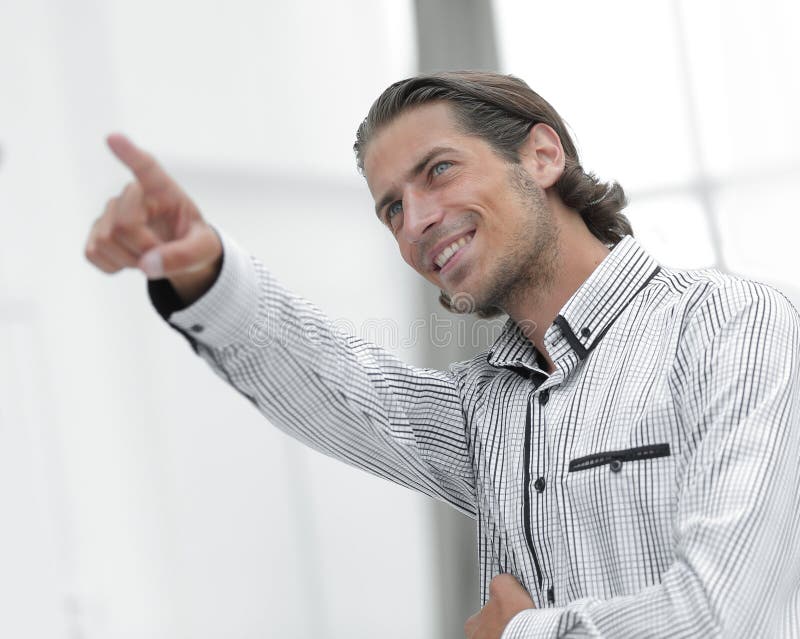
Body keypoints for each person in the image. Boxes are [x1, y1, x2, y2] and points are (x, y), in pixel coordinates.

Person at [84, 72, 800, 638]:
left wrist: (521, 632)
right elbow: (336, 381)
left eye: (439, 170)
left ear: (542, 155)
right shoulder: (484, 405)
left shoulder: (733, 327)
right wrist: (205, 270)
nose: (418, 220)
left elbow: (721, 615)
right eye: (391, 206)